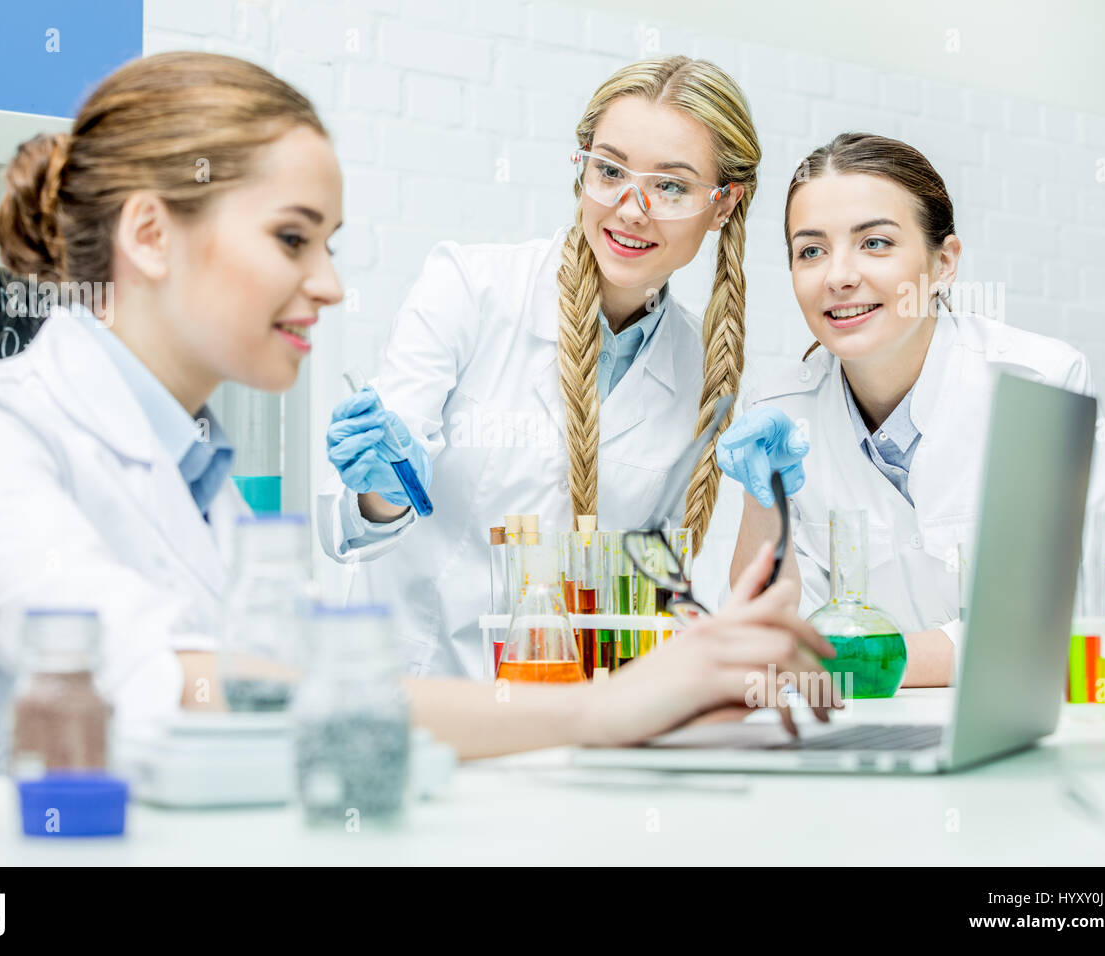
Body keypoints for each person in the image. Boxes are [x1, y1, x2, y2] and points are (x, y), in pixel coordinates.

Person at [0, 52, 835, 779]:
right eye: (292, 238)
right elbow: (172, 691)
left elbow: (277, 706)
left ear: (722, 204)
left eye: (329, 243)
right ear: (149, 234)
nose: (333, 285)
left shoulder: (207, 486)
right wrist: (591, 712)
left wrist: (720, 603)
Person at [320, 56, 805, 677]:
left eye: (671, 186)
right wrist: (381, 491)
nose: (632, 208)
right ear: (583, 172)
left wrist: (768, 506)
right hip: (415, 694)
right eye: (610, 171)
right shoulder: (470, 288)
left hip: (570, 710)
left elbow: (655, 586)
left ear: (723, 205)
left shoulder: (704, 374)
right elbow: (354, 527)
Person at [722, 133, 1105, 686]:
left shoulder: (1043, 383)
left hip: (1014, 738)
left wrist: (867, 661)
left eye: (875, 243)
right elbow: (761, 641)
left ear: (945, 262)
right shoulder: (781, 415)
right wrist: (765, 498)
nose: (838, 276)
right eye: (811, 250)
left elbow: (1069, 618)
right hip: (853, 747)